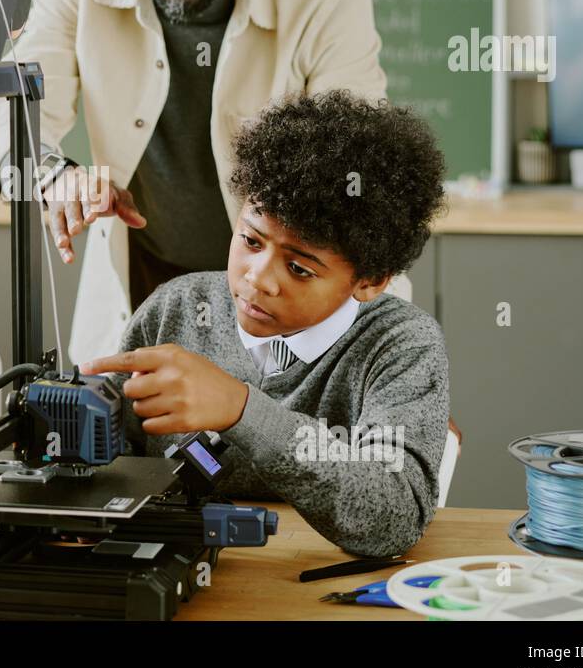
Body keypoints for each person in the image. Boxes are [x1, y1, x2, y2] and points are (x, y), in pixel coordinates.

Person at [0, 0, 387, 363]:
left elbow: (355, 178)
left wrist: (388, 374)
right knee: (122, 448)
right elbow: (8, 103)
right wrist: (53, 176)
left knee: (272, 446)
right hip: (144, 290)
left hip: (289, 298)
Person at [82, 92, 448, 557]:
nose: (258, 279)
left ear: (371, 281)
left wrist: (242, 410)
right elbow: (108, 473)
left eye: (299, 269)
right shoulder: (178, 308)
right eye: (251, 241)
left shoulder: (399, 345)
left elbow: (394, 517)